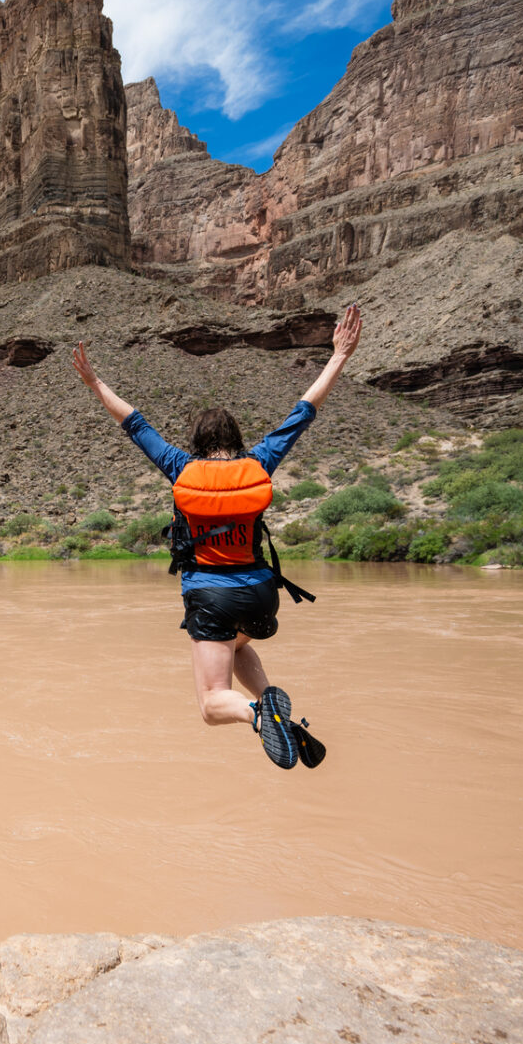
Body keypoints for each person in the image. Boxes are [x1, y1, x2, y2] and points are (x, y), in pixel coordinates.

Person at [70, 304, 364, 770]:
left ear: (197, 441)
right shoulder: (260, 461)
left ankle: (258, 714)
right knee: (237, 643)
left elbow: (134, 423)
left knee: (212, 703)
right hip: (262, 597)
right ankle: (272, 705)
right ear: (236, 437)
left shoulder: (180, 466)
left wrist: (94, 382)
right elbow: (304, 411)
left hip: (212, 596)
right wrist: (339, 356)